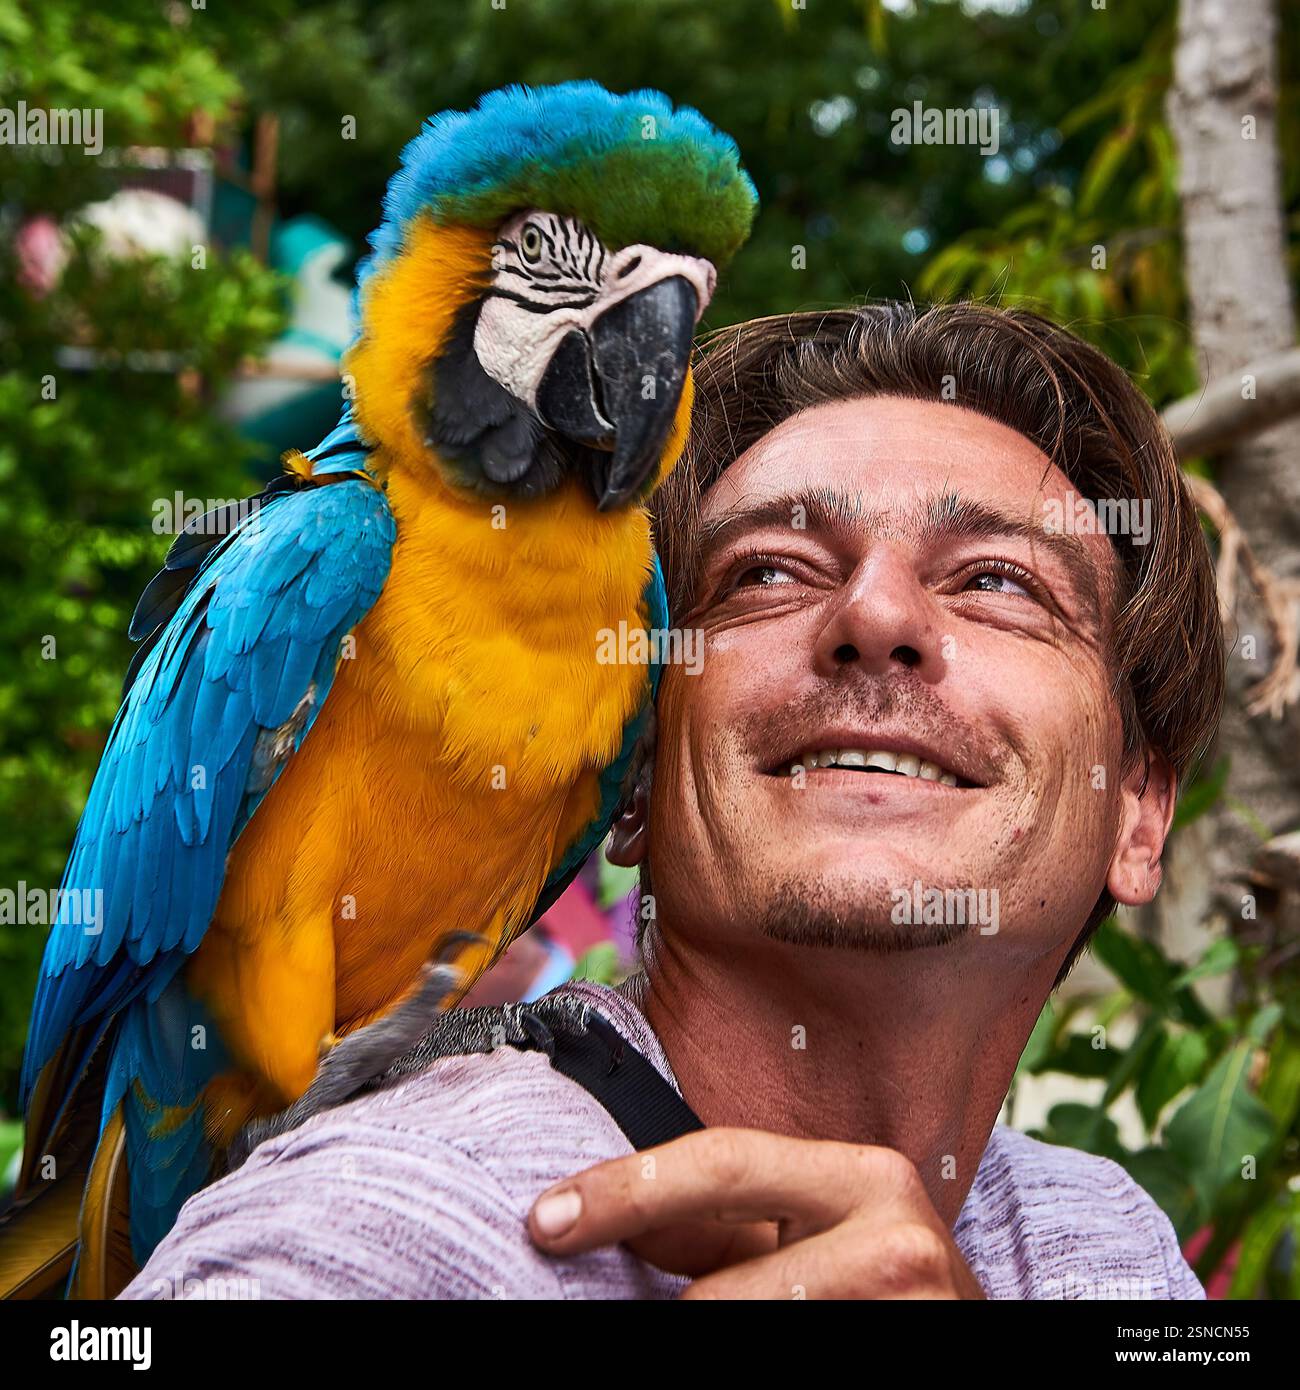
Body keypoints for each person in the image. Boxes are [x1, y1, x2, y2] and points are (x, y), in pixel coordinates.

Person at [123, 303, 1224, 1300]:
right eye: (769, 571)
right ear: (635, 772)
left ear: (1138, 810)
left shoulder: (1106, 1236)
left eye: (995, 578)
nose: (874, 609)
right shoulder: (395, 1218)